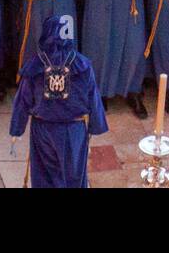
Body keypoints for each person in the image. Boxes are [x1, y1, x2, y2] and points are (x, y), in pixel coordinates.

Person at [8, 15, 109, 188]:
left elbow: (23, 100)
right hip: (73, 130)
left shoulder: (35, 65)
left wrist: (17, 130)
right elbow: (93, 96)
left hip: (42, 130)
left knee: (44, 174)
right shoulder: (82, 65)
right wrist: (95, 126)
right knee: (74, 176)